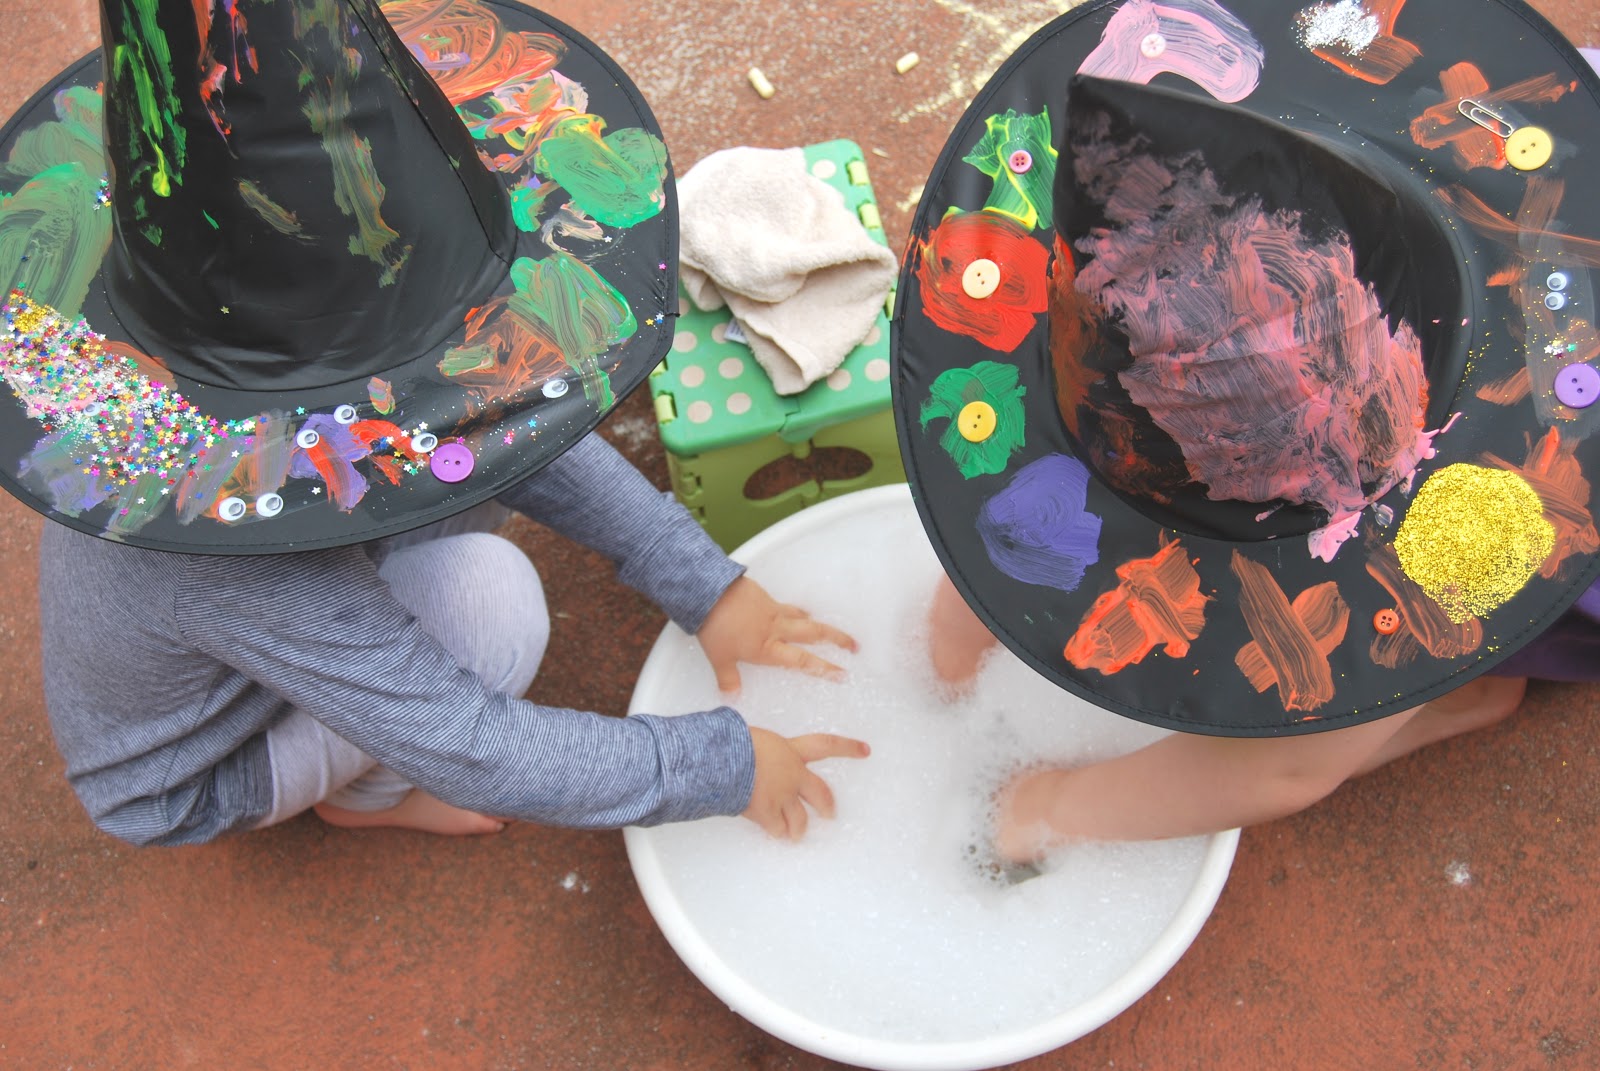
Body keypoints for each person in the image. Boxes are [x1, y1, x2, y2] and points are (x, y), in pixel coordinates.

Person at [0, 0, 868, 848]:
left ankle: (363, 733)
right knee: (493, 602)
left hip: (251, 625)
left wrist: (699, 582)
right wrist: (723, 767)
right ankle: (368, 795)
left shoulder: (214, 350)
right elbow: (469, 744)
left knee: (479, 444)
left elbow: (501, 412)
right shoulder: (225, 552)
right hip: (203, 766)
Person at [887, 0, 1600, 866]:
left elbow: (1286, 770)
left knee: (1448, 608)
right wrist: (953, 639)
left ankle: (1479, 677)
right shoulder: (1454, 138)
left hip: (1557, 479)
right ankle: (1471, 689)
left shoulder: (1489, 468)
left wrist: (1041, 807)